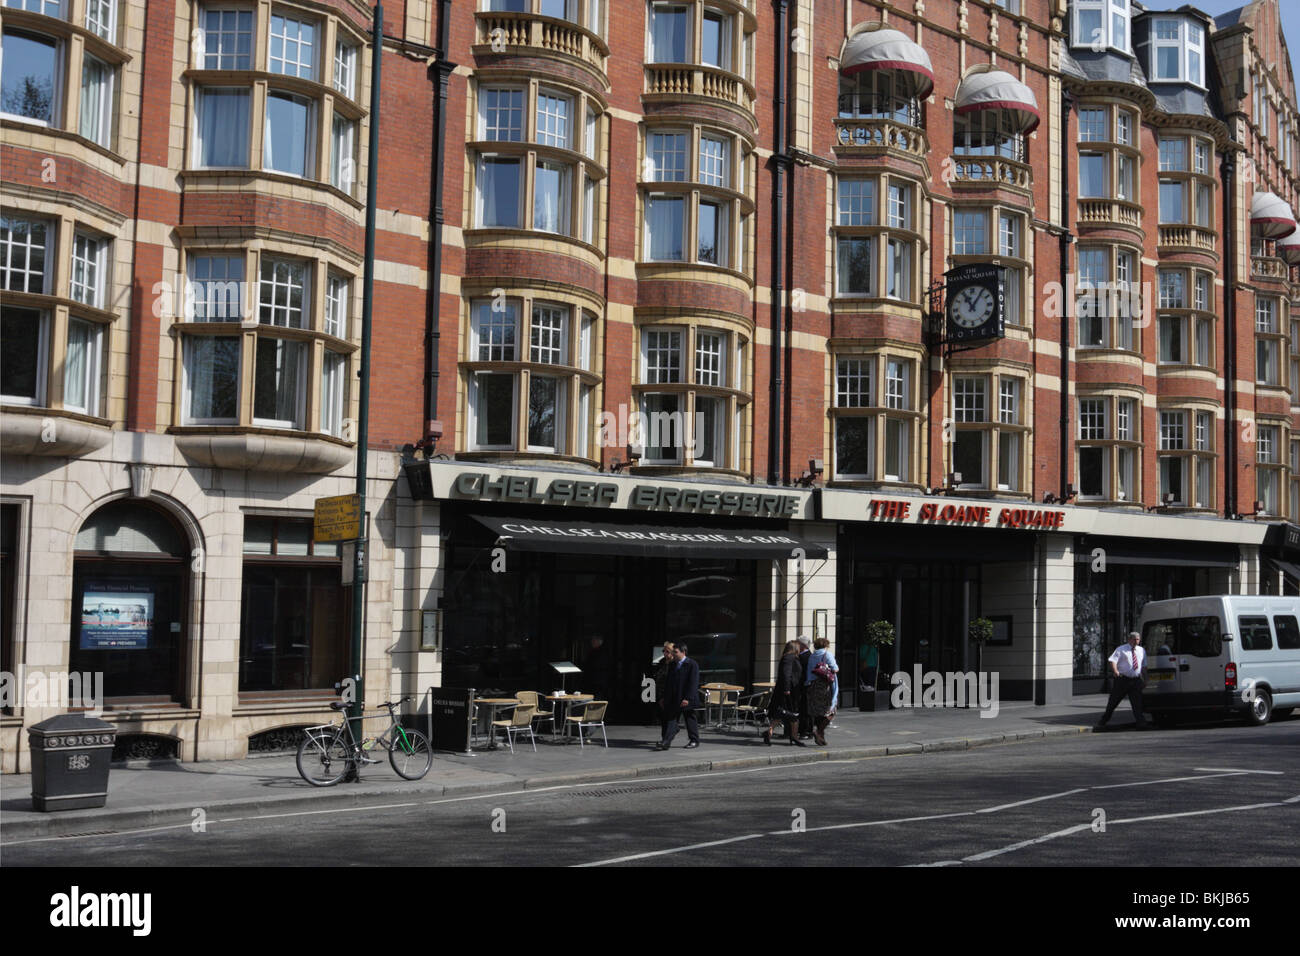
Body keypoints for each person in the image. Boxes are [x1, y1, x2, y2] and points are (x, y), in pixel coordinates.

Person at [1094, 631, 1150, 731]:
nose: (1136, 641)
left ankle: (1141, 723)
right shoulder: (1121, 649)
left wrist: (1146, 679)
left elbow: (1144, 666)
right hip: (1122, 680)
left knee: (1137, 703)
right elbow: (1113, 660)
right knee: (1113, 702)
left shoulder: (1141, 650)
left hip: (1136, 680)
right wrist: (1115, 671)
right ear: (1129, 639)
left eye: (1138, 639)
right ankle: (1103, 720)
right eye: (1134, 639)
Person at [655, 642, 700, 750]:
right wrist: (663, 697)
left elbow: (693, 683)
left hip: (686, 698)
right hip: (674, 698)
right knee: (671, 719)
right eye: (673, 652)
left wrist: (688, 698)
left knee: (690, 719)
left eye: (676, 652)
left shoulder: (692, 664)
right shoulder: (672, 665)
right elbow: (668, 683)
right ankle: (666, 742)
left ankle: (694, 740)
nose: (674, 654)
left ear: (683, 652)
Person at [764, 641, 806, 746]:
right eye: (798, 647)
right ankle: (794, 737)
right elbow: (786, 674)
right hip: (789, 691)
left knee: (781, 713)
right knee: (793, 714)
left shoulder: (788, 657)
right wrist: (787, 689)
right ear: (795, 648)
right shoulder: (789, 658)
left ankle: (769, 732)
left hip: (788, 690)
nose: (800, 649)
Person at [805, 636, 839, 746]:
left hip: (813, 686)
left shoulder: (812, 655)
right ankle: (818, 731)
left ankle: (821, 738)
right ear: (826, 645)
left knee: (819, 712)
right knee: (831, 710)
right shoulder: (826, 654)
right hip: (825, 685)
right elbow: (835, 668)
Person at [796, 635, 813, 739]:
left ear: (803, 645)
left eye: (798, 643)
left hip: (805, 686)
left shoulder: (806, 656)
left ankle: (806, 731)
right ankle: (803, 730)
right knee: (803, 709)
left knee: (805, 710)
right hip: (804, 686)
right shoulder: (805, 655)